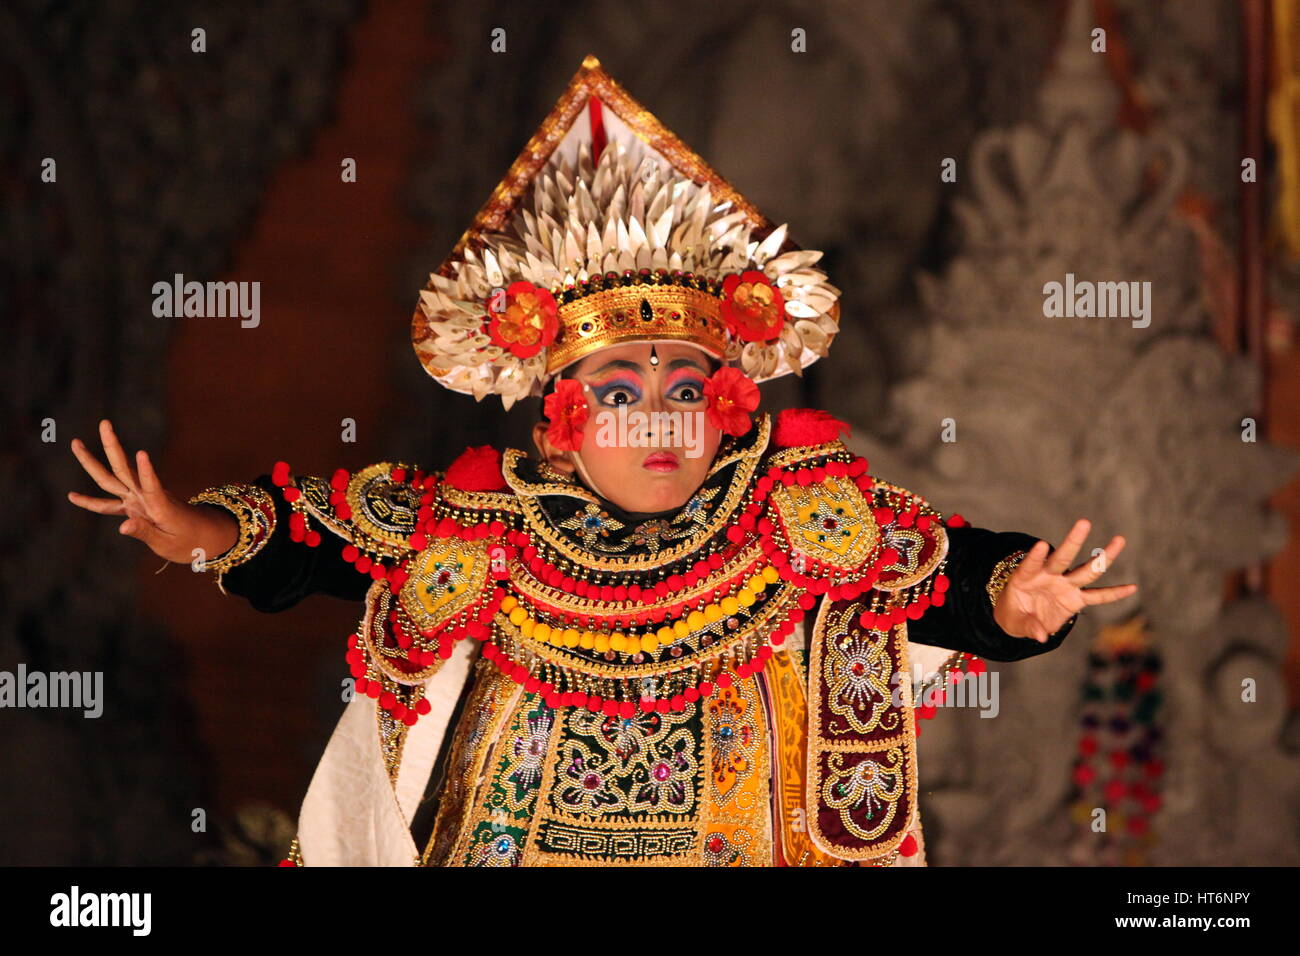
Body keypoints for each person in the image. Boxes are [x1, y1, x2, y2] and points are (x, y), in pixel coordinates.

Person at [67, 56, 1136, 867]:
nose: (658, 424)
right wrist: (197, 532)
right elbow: (312, 528)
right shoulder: (480, 532)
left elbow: (935, 573)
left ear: (725, 408)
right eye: (619, 397)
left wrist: (1017, 596)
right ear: (559, 422)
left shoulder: (795, 525)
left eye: (686, 394)